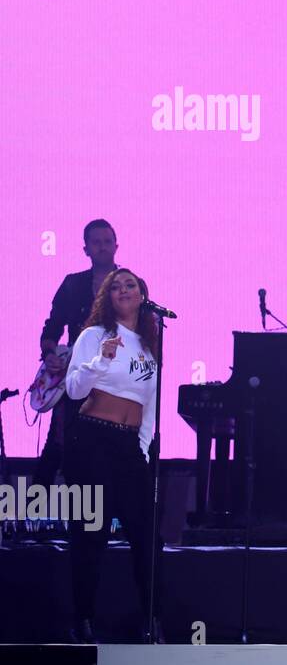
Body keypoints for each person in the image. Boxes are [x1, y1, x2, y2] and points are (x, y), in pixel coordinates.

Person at [62, 268, 164, 643]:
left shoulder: (150, 344)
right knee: (92, 533)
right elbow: (74, 391)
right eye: (116, 286)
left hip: (128, 447)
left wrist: (141, 448)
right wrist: (100, 361)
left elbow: (149, 405)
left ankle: (151, 621)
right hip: (91, 442)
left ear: (142, 295)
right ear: (107, 297)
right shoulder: (94, 335)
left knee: (147, 536)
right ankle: (83, 622)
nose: (123, 290)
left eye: (130, 285)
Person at [35, 219, 122, 485]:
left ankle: (105, 520)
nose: (103, 247)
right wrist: (50, 354)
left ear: (116, 246)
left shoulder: (129, 285)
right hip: (73, 379)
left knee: (108, 453)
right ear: (86, 249)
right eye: (96, 242)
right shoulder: (72, 285)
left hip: (111, 382)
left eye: (107, 242)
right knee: (59, 447)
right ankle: (32, 521)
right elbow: (51, 329)